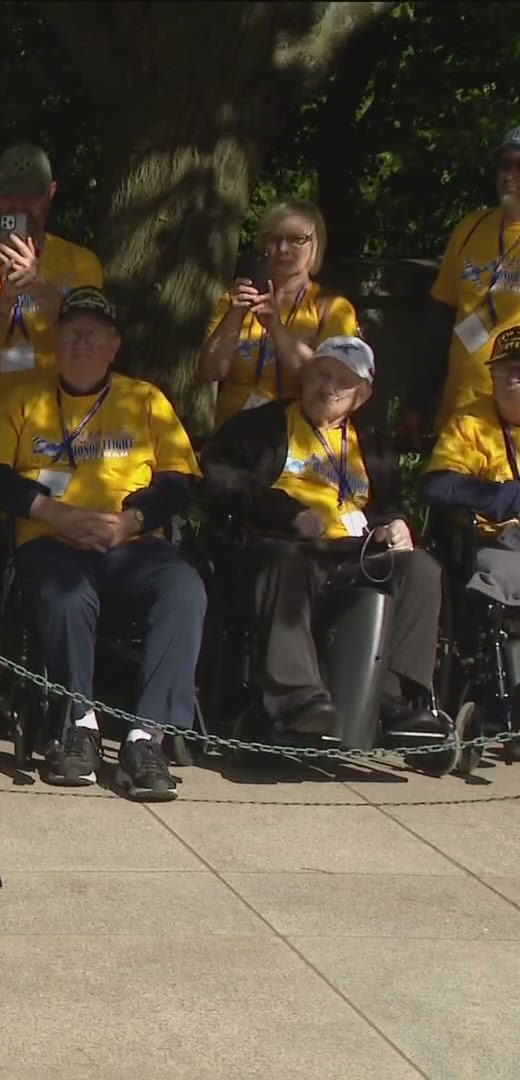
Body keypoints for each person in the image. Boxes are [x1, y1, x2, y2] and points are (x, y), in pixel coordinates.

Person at [0, 286, 205, 801]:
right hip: (50, 542)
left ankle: (145, 739)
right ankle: (78, 726)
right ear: (56, 342)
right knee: (65, 594)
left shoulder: (146, 400)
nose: (82, 343)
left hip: (132, 543)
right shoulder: (23, 401)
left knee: (184, 589)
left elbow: (178, 484)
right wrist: (55, 513)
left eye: (94, 335)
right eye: (72, 333)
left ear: (114, 345)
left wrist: (130, 522)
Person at [201, 337, 444, 739]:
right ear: (305, 376)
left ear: (362, 395)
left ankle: (394, 699)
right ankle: (299, 698)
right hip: (286, 544)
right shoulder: (260, 425)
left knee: (419, 568)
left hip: (354, 552)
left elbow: (388, 501)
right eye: (321, 375)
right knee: (285, 562)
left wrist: (396, 523)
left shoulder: (372, 442)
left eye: (342, 382)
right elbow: (218, 475)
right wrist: (289, 513)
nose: (328, 388)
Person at [0, 143, 104, 552]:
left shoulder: (80, 262)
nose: (21, 207)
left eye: (31, 197)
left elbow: (92, 340)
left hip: (58, 433)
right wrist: (4, 300)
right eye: (11, 197)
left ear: (50, 194)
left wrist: (39, 285)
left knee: (67, 542)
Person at [200, 197, 359, 419]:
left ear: (316, 245)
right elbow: (211, 371)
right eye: (273, 239)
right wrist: (234, 315)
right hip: (234, 428)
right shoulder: (236, 299)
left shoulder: (333, 308)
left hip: (298, 431)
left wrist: (277, 329)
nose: (283, 249)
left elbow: (328, 384)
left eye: (296, 240)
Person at [412, 124, 520, 432]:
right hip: (460, 412)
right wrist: (416, 402)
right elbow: (440, 320)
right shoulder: (471, 227)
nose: (509, 176)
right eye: (504, 165)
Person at [425, 326, 520, 603]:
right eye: (506, 370)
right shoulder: (469, 422)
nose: (514, 379)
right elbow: (439, 486)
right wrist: (507, 496)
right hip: (496, 540)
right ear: (492, 376)